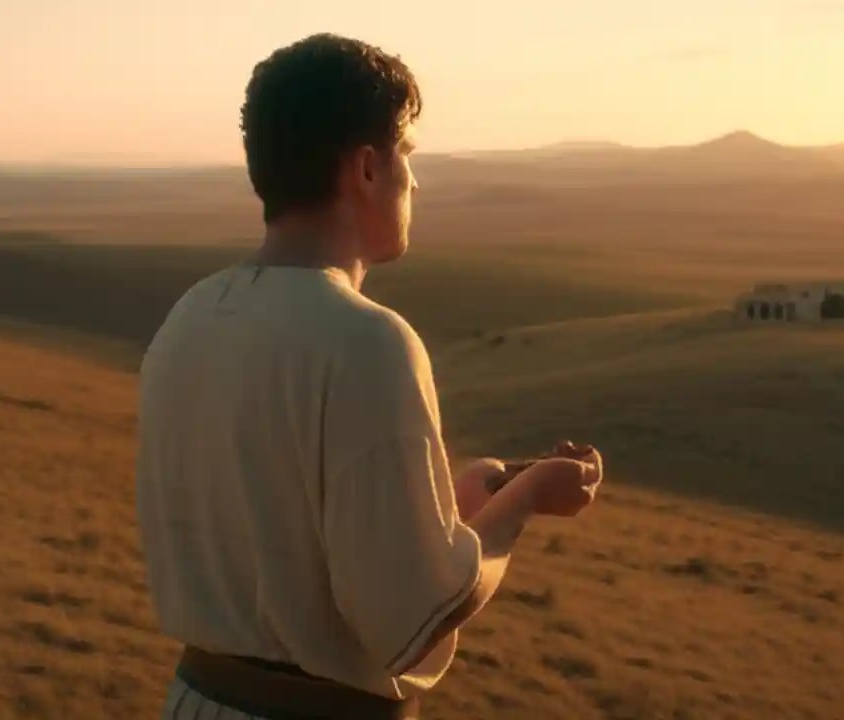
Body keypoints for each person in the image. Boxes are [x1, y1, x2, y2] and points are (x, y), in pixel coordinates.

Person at [134, 33, 605, 720]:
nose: (415, 179)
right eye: (406, 153)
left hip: (192, 702)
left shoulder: (191, 316)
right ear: (365, 169)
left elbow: (294, 545)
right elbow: (410, 616)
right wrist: (528, 498)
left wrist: (467, 502)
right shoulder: (367, 340)